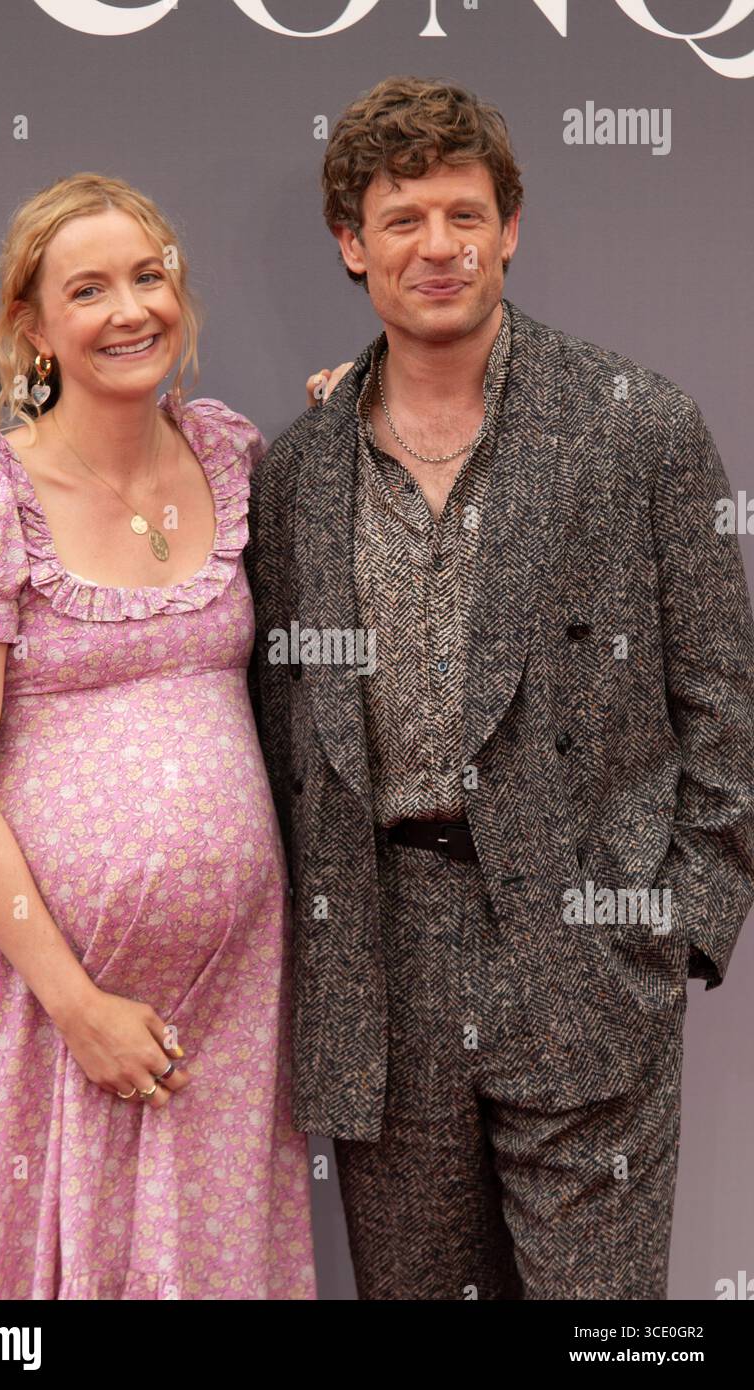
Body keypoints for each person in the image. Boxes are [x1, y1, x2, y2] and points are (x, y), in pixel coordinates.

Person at [245, 76, 754, 1300]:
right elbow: (280, 730)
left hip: (587, 943)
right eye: (404, 217)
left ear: (510, 229)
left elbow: (727, 703)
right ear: (350, 243)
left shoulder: (636, 427)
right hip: (380, 962)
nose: (439, 246)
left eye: (465, 214)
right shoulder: (297, 471)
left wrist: (674, 922)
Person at [0, 172, 318, 1300]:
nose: (131, 309)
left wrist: (355, 416)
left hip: (224, 1006)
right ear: (31, 325)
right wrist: (77, 1007)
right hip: (36, 1009)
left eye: (149, 275)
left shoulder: (232, 463)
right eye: (89, 288)